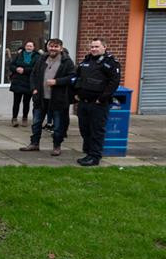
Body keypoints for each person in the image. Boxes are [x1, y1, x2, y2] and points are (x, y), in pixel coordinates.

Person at [20, 39, 76, 156]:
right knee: (36, 122)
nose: (53, 48)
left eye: (56, 46)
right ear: (47, 47)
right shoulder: (42, 59)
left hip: (58, 99)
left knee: (58, 125)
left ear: (60, 48)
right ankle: (34, 143)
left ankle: (57, 146)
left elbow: (72, 78)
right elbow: (33, 75)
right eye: (51, 46)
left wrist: (57, 81)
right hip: (40, 97)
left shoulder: (67, 62)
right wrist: (34, 89)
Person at [73, 38, 121, 166]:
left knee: (96, 130)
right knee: (84, 129)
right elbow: (78, 77)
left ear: (104, 47)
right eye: (92, 47)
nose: (93, 49)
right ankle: (89, 152)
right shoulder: (86, 60)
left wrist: (102, 98)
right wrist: (76, 94)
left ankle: (95, 156)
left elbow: (114, 83)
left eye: (96, 46)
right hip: (84, 102)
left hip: (98, 104)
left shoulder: (110, 62)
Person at [8, 41, 40, 127]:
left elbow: (36, 69)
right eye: (27, 46)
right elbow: (11, 65)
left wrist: (24, 70)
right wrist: (16, 69)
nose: (28, 47)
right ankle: (14, 118)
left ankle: (25, 118)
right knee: (16, 102)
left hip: (29, 82)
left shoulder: (37, 57)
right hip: (18, 81)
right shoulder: (19, 54)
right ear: (25, 46)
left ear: (33, 47)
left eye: (30, 46)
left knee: (26, 102)